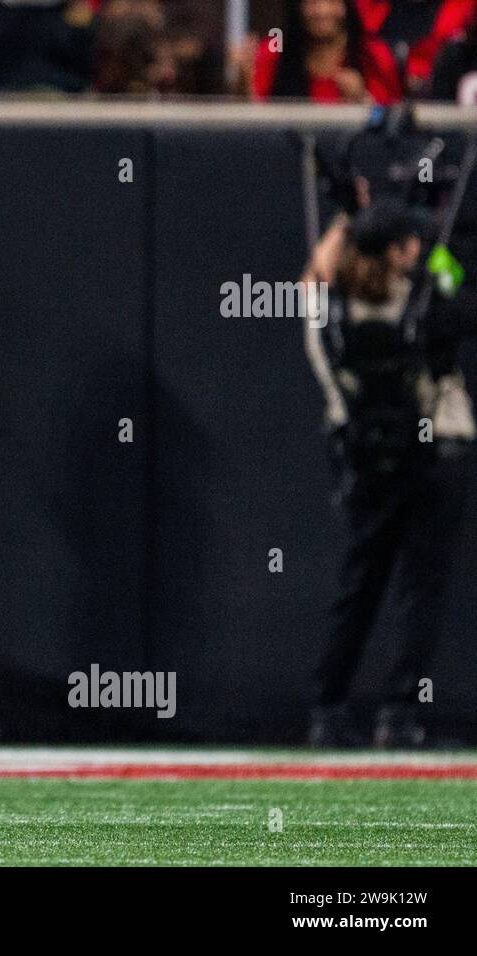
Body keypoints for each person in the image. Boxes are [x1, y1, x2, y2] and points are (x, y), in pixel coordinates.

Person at [304, 200, 475, 747]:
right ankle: (401, 712)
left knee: (361, 584)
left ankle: (327, 708)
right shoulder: (427, 307)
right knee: (421, 589)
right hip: (434, 451)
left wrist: (342, 223)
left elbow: (313, 279)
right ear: (399, 251)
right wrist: (441, 259)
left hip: (366, 458)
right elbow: (464, 293)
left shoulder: (331, 312)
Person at [246, 0, 403, 103]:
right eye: (312, 2)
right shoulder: (273, 52)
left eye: (332, 1)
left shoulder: (373, 54)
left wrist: (362, 98)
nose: (322, 12)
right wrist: (244, 78)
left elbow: (394, 126)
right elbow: (255, 125)